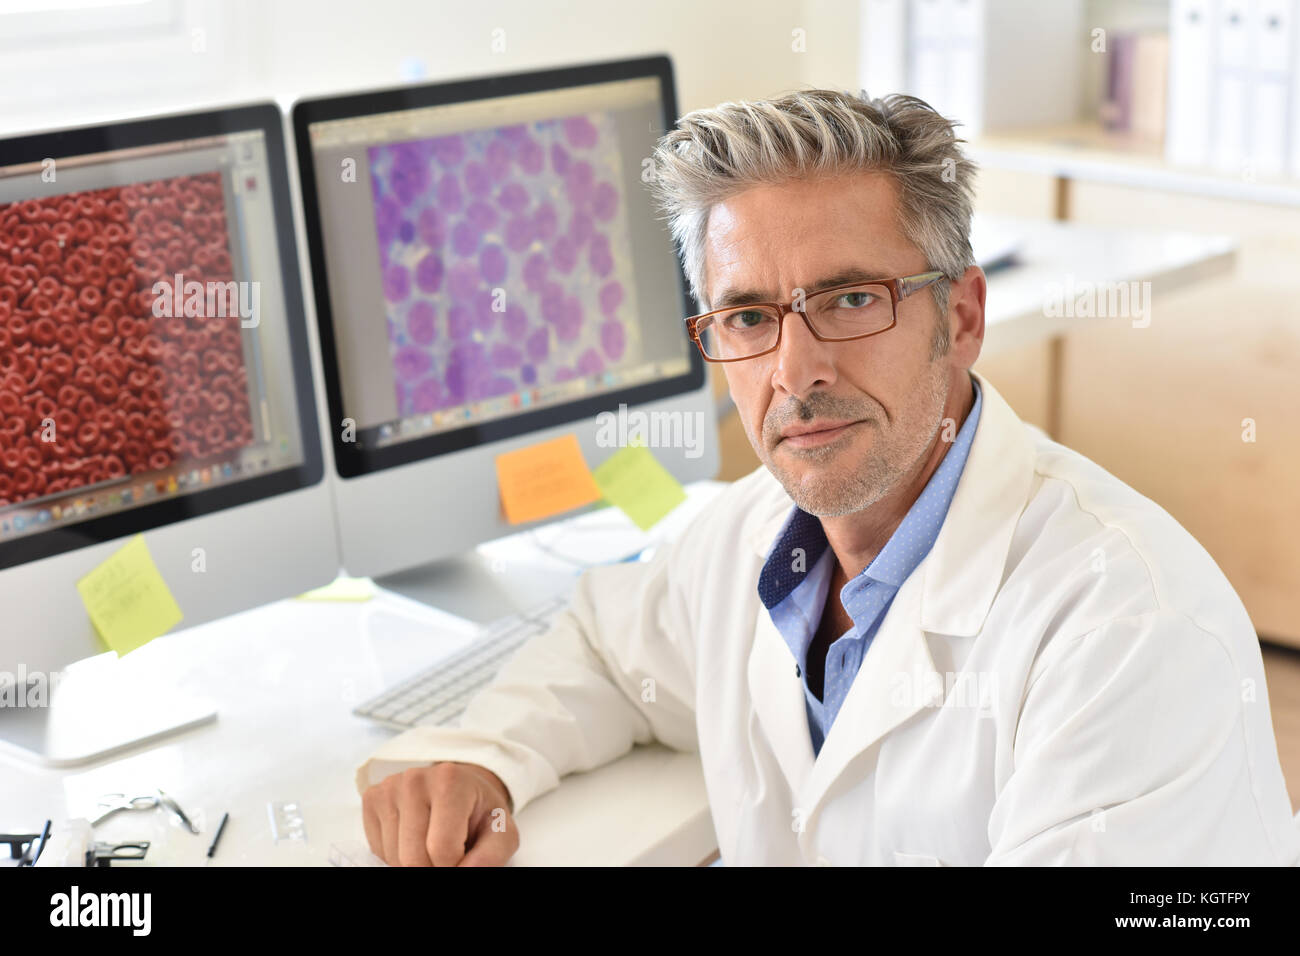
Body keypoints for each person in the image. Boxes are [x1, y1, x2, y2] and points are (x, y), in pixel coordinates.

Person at [356, 89, 1300, 866]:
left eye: (851, 299)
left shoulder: (1128, 630)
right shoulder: (745, 539)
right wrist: (480, 762)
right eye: (748, 316)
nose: (794, 371)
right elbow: (607, 653)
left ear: (961, 317)